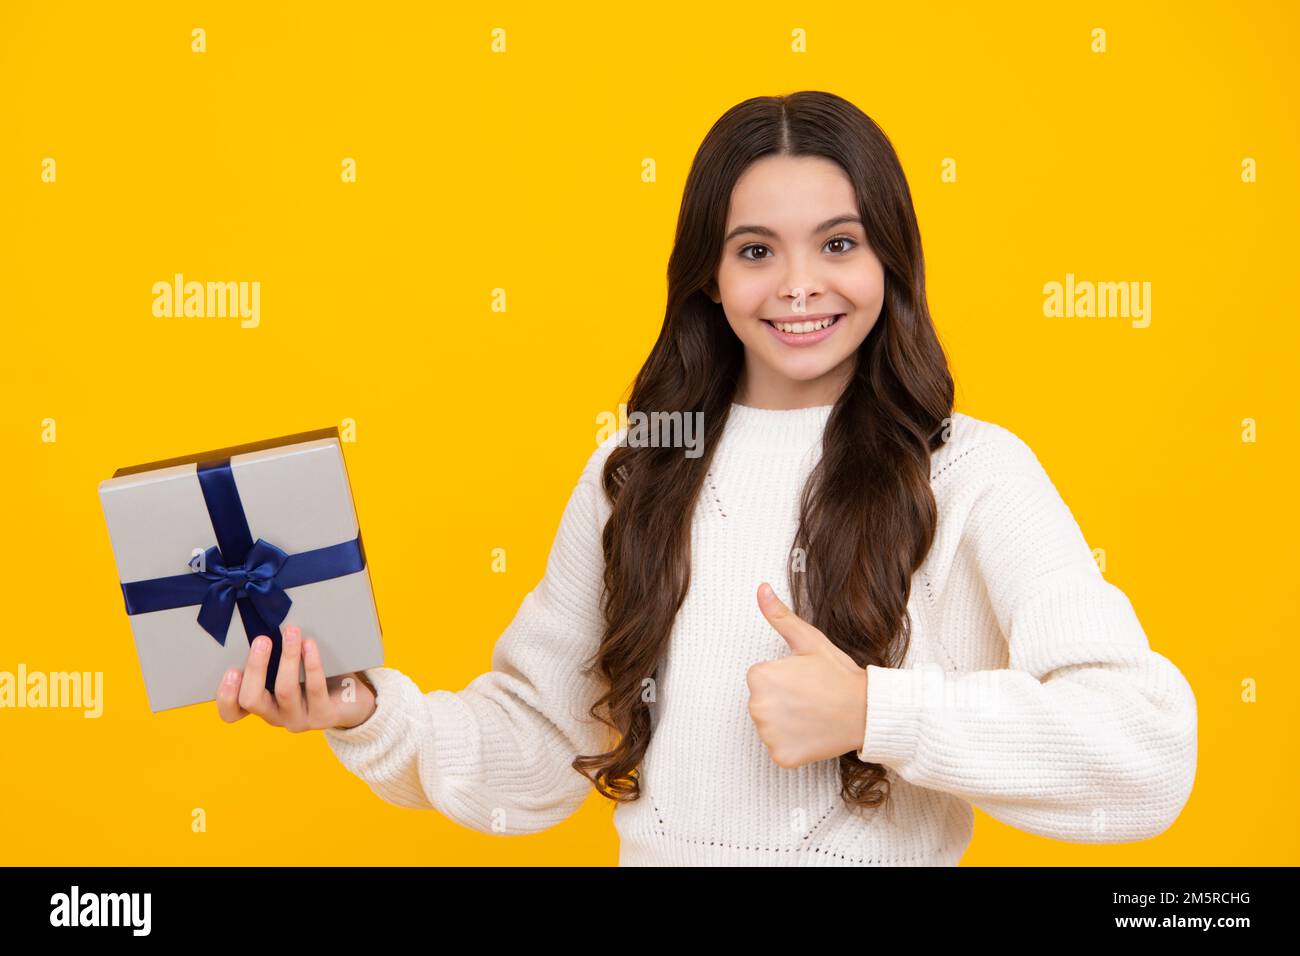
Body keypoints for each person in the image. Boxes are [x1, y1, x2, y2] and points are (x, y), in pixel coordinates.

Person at [215, 90, 1198, 866]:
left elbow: (1146, 755)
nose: (800, 284)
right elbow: (535, 743)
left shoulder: (973, 472)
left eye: (840, 243)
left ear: (891, 260)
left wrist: (874, 710)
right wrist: (368, 709)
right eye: (756, 250)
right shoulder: (633, 470)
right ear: (709, 277)